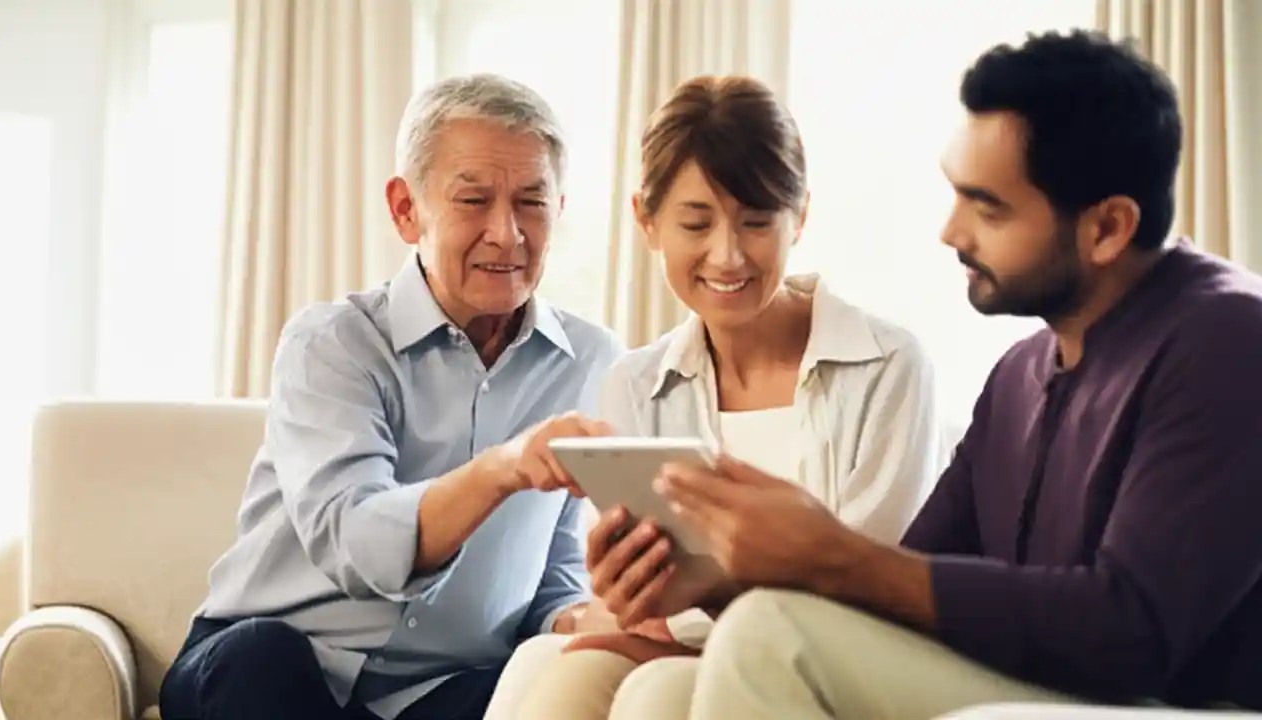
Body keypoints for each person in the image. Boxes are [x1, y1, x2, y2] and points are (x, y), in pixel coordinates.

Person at [573, 30, 1262, 718]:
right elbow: (903, 590)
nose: (951, 231)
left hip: (1173, 703)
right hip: (1047, 687)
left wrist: (828, 552)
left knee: (769, 639)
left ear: (1107, 228)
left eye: (987, 207)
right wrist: (705, 582)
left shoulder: (1227, 338)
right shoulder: (1021, 375)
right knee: (663, 692)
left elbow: (1133, 634)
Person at [158, 74, 628, 720]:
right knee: (260, 663)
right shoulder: (333, 345)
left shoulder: (595, 360)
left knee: (557, 685)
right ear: (406, 209)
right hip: (272, 665)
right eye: (473, 200)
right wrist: (502, 469)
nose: (507, 233)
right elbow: (356, 543)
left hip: (445, 687)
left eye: (530, 202)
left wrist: (584, 621)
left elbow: (550, 574)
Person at [491, 75, 944, 720]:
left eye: (757, 222)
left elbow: (865, 589)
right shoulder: (637, 383)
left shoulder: (887, 366)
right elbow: (638, 601)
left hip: (825, 664)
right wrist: (623, 592)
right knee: (540, 659)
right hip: (690, 644)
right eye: (696, 223)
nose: (727, 256)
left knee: (649, 692)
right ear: (647, 220)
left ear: (800, 217)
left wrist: (679, 612)